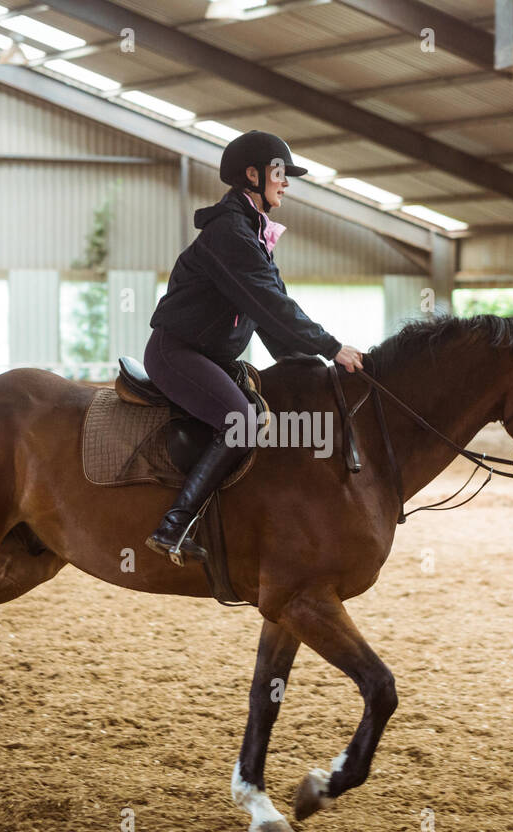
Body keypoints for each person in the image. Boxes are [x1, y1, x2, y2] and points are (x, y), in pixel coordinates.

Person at [143, 130, 364, 563]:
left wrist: (307, 367)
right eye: (281, 174)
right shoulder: (229, 232)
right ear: (253, 175)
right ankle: (173, 526)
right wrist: (331, 346)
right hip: (177, 352)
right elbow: (273, 303)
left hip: (212, 356)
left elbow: (268, 315)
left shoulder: (251, 231)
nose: (286, 183)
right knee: (241, 421)